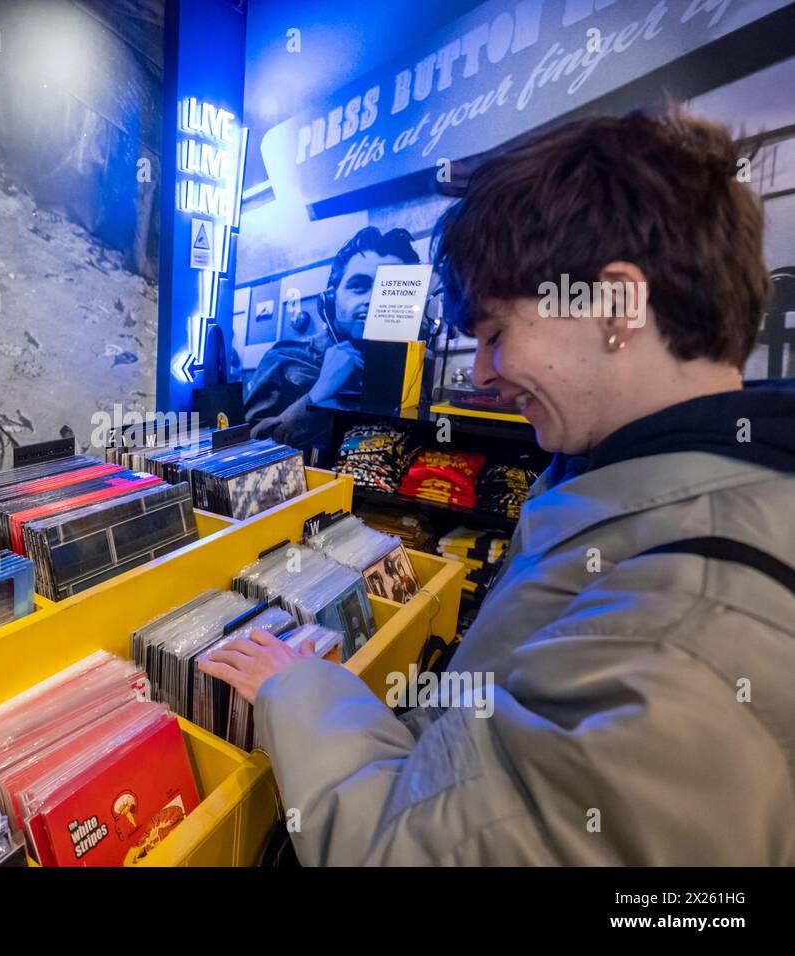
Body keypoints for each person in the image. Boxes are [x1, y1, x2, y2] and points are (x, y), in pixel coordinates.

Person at [199, 108, 795, 865]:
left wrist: (304, 692)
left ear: (615, 308)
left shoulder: (698, 625)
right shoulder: (626, 487)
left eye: (497, 335)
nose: (481, 373)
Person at [243, 227, 419, 453]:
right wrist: (318, 394)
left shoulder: (414, 368)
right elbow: (248, 450)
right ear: (330, 299)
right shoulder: (286, 359)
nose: (375, 299)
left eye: (390, 289)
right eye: (359, 286)